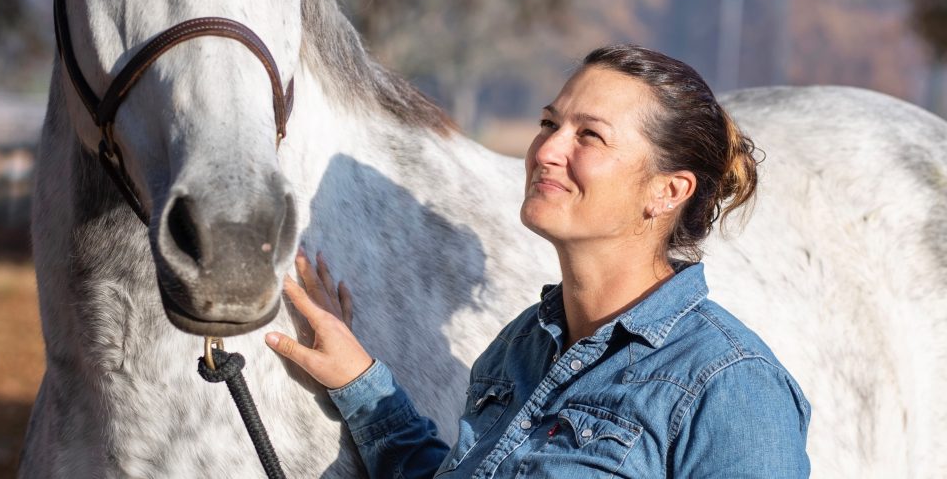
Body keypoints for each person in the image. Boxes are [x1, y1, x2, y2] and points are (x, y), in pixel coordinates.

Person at [266, 44, 811, 477]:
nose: (546, 151)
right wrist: (361, 384)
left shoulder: (732, 385)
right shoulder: (521, 346)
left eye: (589, 136)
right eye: (550, 124)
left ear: (668, 191)